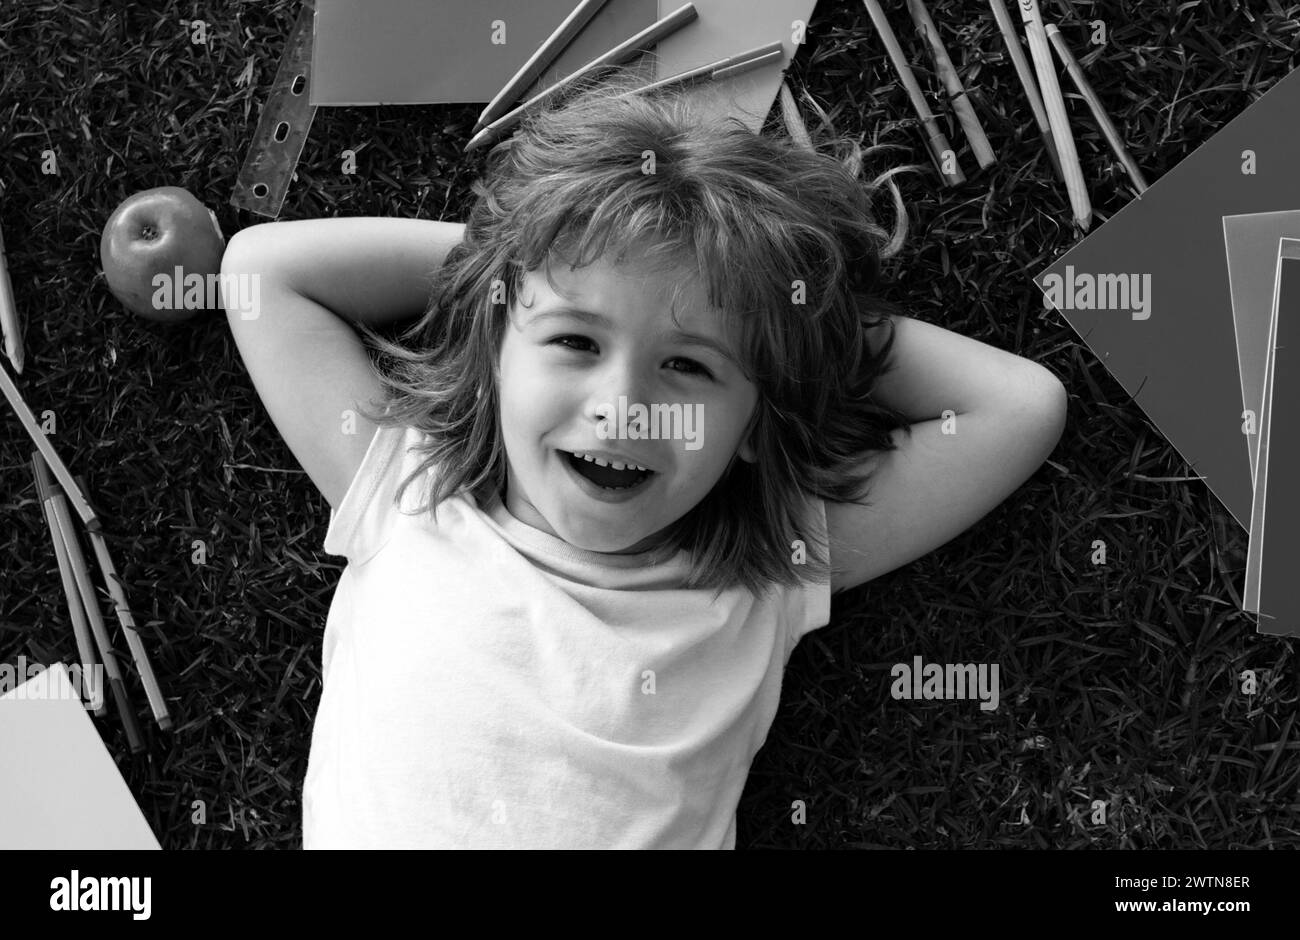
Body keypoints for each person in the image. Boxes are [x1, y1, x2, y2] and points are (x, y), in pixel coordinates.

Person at [221, 66, 1067, 848]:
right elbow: (261, 272)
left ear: (751, 427)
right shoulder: (411, 492)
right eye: (575, 339)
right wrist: (524, 251)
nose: (622, 408)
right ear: (494, 351)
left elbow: (1019, 409)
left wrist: (787, 317)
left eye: (689, 365)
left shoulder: (764, 574)